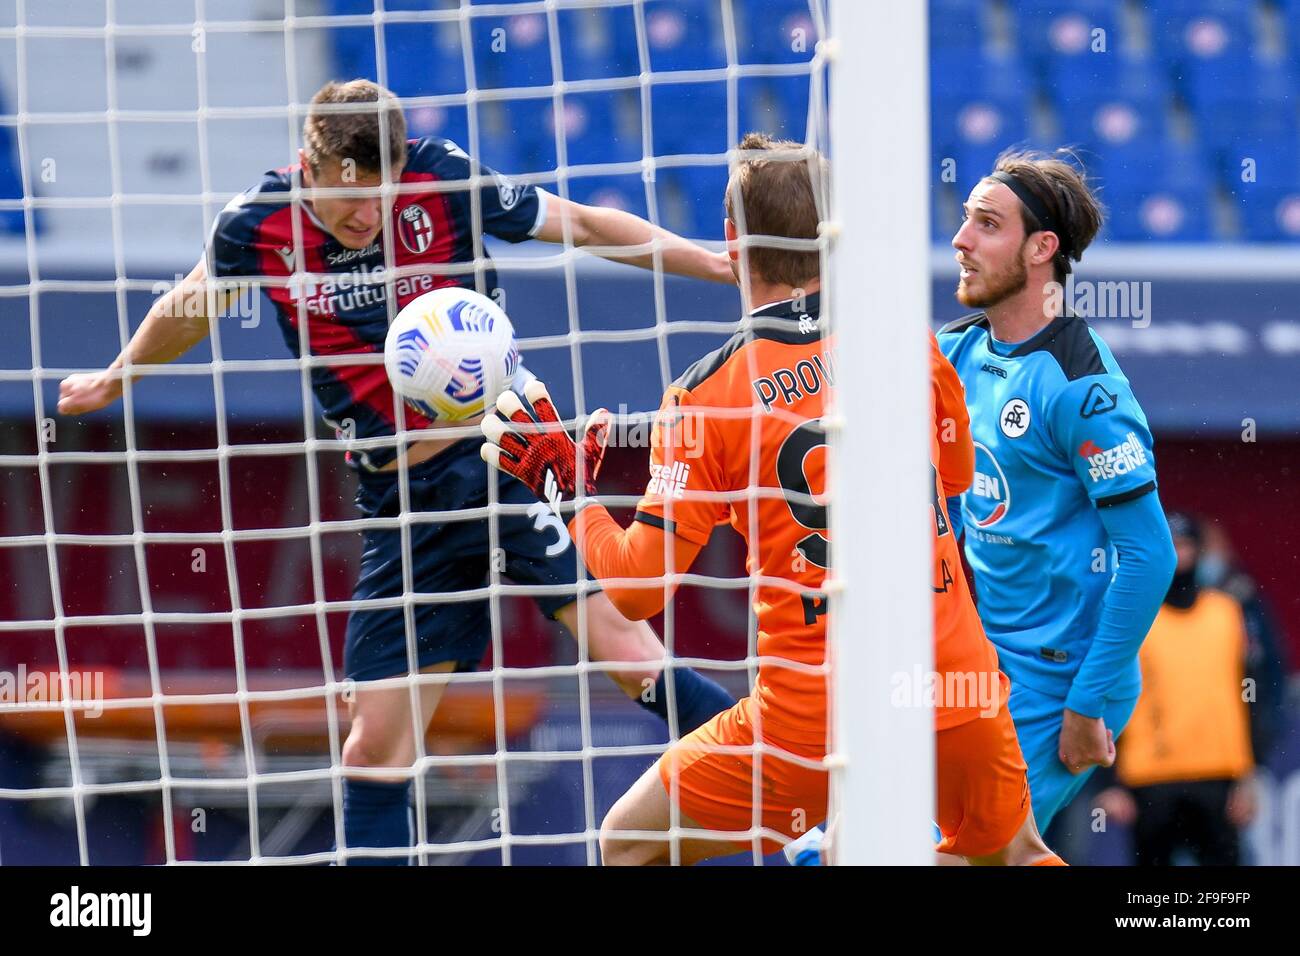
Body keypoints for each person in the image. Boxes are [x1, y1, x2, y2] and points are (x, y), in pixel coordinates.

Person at [56, 79, 736, 864]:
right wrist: (117, 377)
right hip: (399, 499)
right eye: (351, 202)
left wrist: (711, 265)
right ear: (309, 166)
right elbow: (195, 302)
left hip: (503, 447)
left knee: (625, 652)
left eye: (380, 199)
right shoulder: (257, 224)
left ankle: (797, 802)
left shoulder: (442, 176)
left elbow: (580, 223)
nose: (366, 217)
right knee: (374, 748)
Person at [481, 133, 1063, 865]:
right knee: (1013, 854)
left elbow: (636, 589)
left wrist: (572, 495)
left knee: (625, 842)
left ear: (730, 240)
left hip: (811, 716)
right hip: (948, 677)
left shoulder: (706, 394)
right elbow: (953, 482)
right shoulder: (909, 344)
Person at [938, 149, 1178, 833]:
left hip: (1056, 684)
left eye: (987, 223)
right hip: (972, 662)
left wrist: (1087, 703)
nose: (960, 240)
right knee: (850, 835)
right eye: (965, 220)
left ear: (1042, 248)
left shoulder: (1083, 386)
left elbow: (1150, 557)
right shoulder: (954, 354)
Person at [1094, 512, 1258, 865]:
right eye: (1172, 546)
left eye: (1186, 545)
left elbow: (1253, 695)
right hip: (1149, 776)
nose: (1180, 556)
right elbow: (1104, 696)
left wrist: (1250, 773)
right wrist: (1108, 781)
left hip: (1218, 774)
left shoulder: (1228, 612)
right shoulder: (1134, 616)